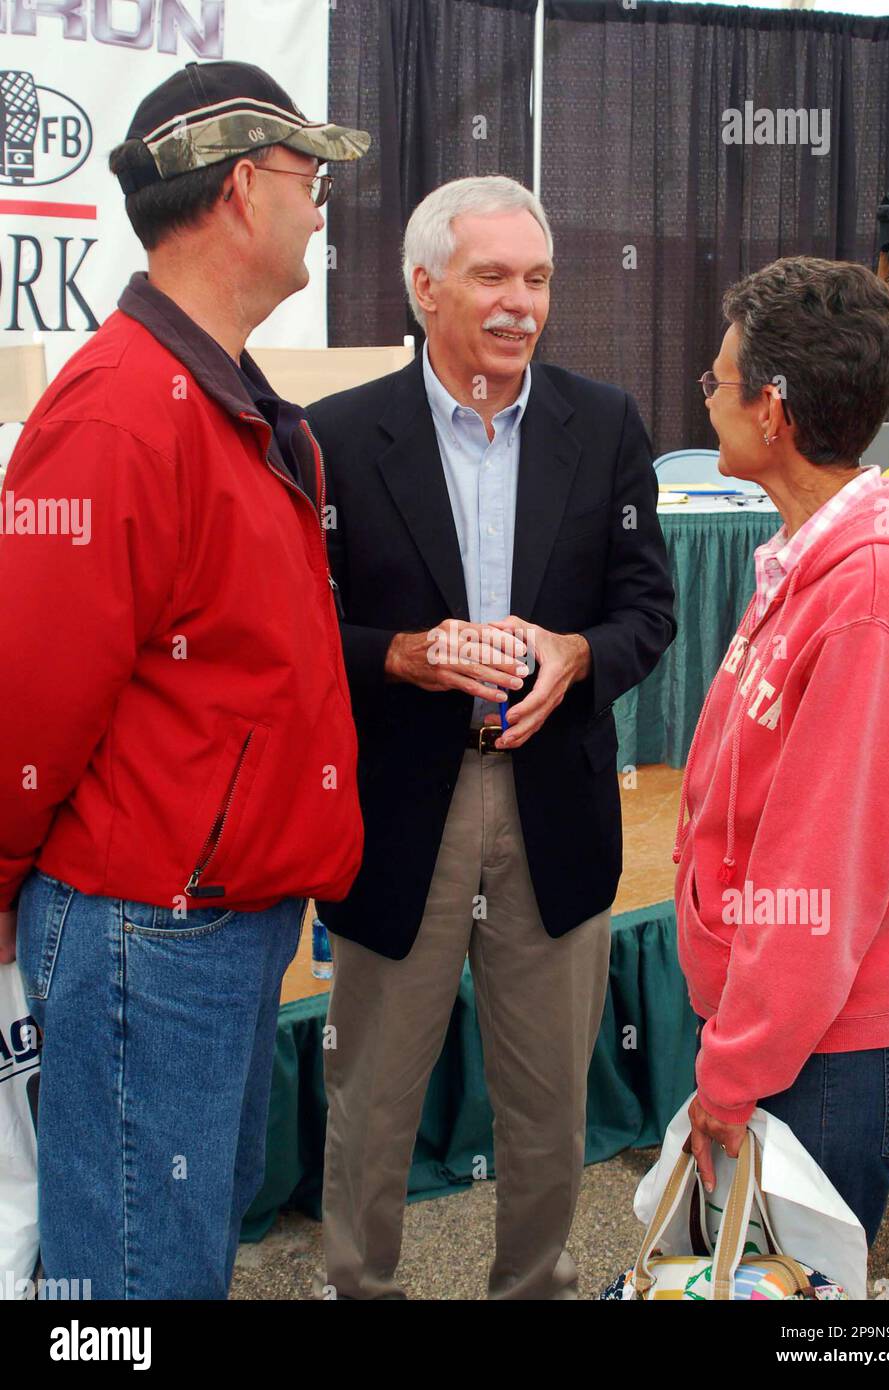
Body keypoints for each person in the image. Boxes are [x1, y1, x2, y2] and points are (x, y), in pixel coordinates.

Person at [0, 60, 369, 1299]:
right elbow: (26, 694)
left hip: (203, 923)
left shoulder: (218, 401)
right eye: (308, 177)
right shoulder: (120, 412)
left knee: (174, 1263)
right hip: (149, 931)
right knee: (133, 1293)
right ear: (239, 189)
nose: (322, 202)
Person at [305, 175, 676, 1300]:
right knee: (370, 1098)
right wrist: (403, 656)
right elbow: (302, 628)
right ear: (424, 287)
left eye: (539, 278)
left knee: (548, 1100)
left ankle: (533, 1290)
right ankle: (357, 1287)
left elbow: (646, 610)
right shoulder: (335, 435)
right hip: (398, 813)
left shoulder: (603, 423)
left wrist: (576, 655)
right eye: (492, 275)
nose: (521, 303)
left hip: (551, 807)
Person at [676, 255, 889, 1245]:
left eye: (717, 379)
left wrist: (734, 1072)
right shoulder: (817, 560)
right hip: (789, 1039)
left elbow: (822, 877)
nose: (706, 396)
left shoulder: (873, 591)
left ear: (775, 411)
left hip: (822, 1060)